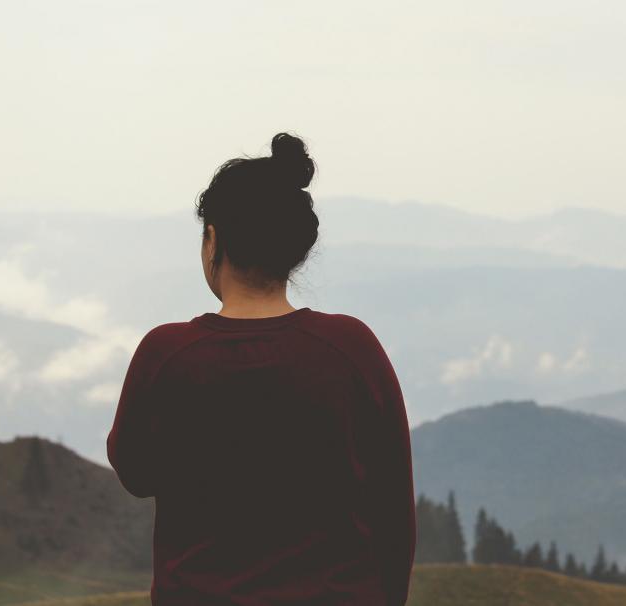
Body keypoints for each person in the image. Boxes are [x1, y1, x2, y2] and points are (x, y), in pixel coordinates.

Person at [106, 132, 417, 606]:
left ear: (214, 240)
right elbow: (393, 505)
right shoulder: (351, 348)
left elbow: (136, 472)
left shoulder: (166, 354)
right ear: (295, 247)